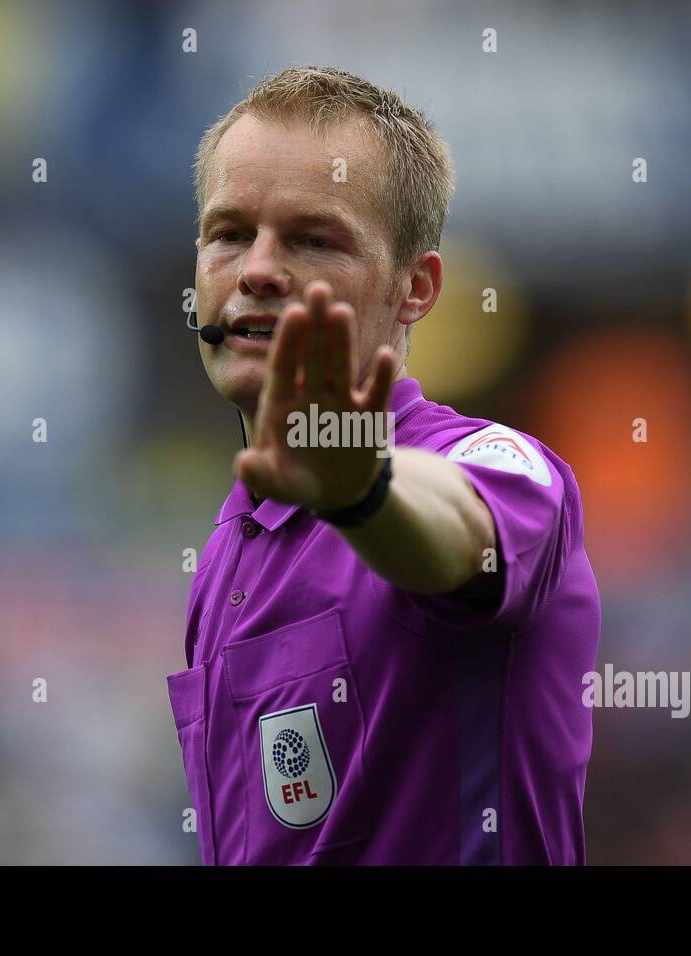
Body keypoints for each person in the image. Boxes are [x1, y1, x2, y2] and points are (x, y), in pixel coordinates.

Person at [168, 65, 600, 865]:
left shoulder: (497, 467)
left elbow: (459, 530)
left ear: (415, 287)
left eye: (312, 238)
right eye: (229, 234)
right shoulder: (228, 546)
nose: (257, 269)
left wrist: (367, 492)